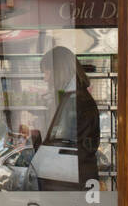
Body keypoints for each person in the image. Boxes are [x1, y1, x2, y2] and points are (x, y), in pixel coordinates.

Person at [35, 45, 100, 189]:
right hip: (76, 179)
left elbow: (61, 144)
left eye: (46, 72)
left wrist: (36, 141)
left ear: (58, 71)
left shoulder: (75, 101)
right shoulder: (75, 97)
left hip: (70, 183)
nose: (45, 78)